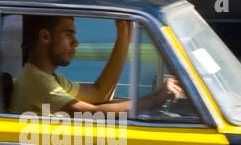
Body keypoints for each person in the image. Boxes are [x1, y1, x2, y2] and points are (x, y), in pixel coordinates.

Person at [9, 15, 183, 115]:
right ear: (46, 37)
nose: (76, 42)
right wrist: (158, 96)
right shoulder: (36, 81)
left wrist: (123, 38)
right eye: (68, 35)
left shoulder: (50, 78)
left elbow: (101, 92)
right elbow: (92, 115)